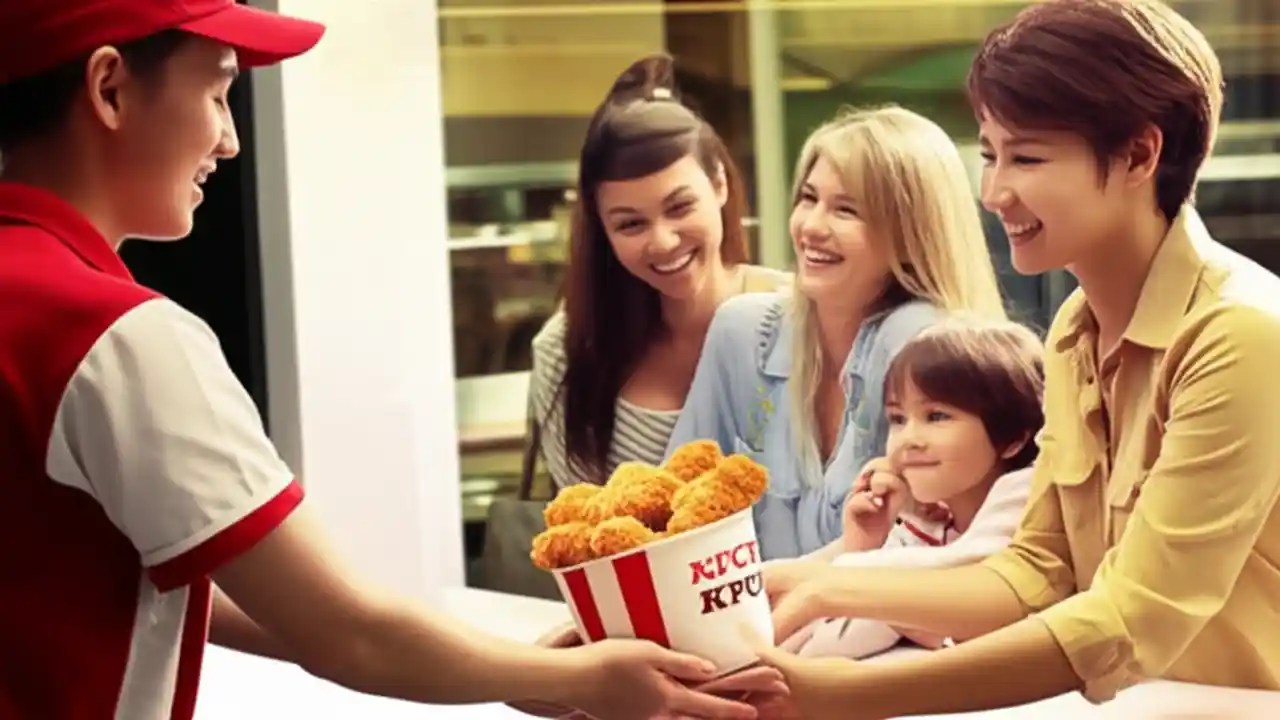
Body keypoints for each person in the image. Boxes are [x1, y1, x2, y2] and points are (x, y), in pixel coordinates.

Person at [0, 4, 777, 719]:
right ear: (109, 88)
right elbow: (349, 632)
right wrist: (570, 680)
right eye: (216, 94)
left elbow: (219, 587)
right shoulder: (116, 338)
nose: (230, 140)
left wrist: (518, 667)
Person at [752, 1, 1280, 717]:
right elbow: (1038, 569)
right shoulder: (1073, 333)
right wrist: (821, 584)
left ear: (1139, 155)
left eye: (1026, 158)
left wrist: (850, 694)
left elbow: (1130, 620)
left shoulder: (1239, 333)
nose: (993, 192)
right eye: (989, 154)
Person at [665, 105, 1006, 560]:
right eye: (808, 199)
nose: (811, 227)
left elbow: (934, 556)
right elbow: (671, 513)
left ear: (911, 234)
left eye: (846, 210)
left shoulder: (922, 341)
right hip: (738, 605)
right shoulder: (740, 333)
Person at [528, 53, 788, 492]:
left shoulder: (802, 317)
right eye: (631, 224)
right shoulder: (567, 352)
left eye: (680, 207)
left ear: (719, 184)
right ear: (602, 229)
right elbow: (591, 520)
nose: (663, 241)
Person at [785, 317, 1044, 660]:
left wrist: (845, 580)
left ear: (1013, 438)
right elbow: (831, 638)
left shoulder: (1026, 497)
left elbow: (956, 576)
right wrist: (861, 544)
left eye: (936, 417)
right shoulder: (928, 521)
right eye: (898, 419)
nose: (909, 439)